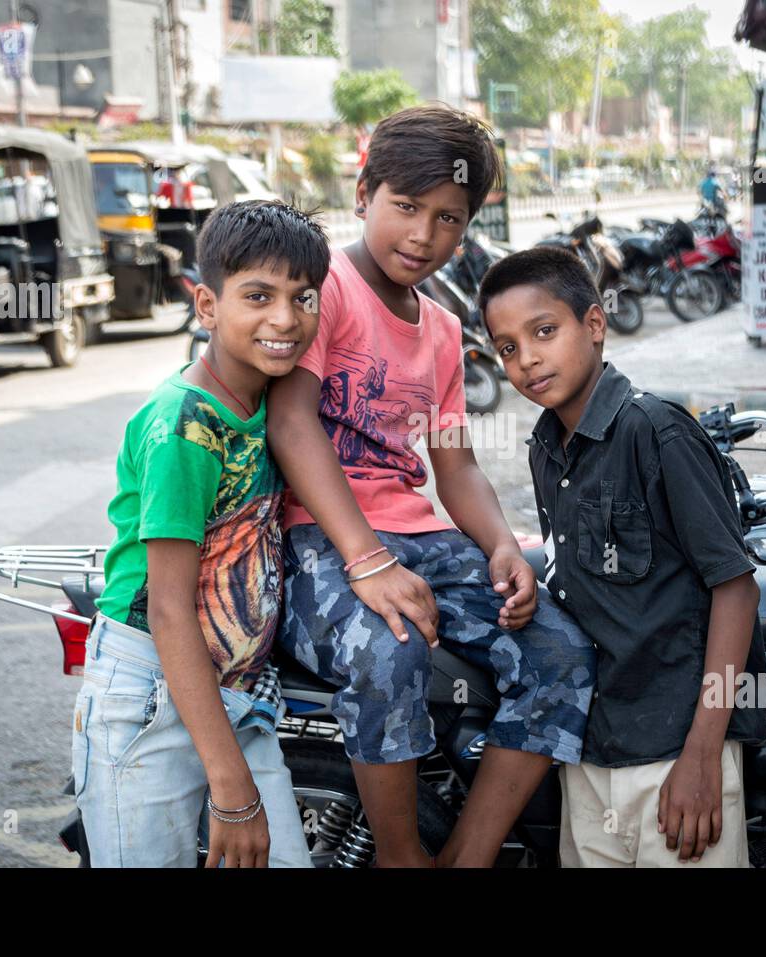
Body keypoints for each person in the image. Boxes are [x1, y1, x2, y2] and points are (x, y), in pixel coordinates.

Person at [267, 104, 596, 869]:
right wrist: (367, 558)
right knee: (391, 649)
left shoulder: (444, 329)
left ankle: (470, 855)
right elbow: (292, 425)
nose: (423, 236)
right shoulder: (324, 288)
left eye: (448, 219)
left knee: (563, 654)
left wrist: (501, 547)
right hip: (320, 537)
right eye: (406, 208)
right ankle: (400, 855)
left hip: (424, 542)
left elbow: (455, 464)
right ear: (363, 194)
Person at [479, 245, 766, 868]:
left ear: (594, 324)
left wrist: (701, 756)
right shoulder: (545, 446)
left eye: (544, 332)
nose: (526, 359)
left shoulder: (657, 431)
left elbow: (736, 588)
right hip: (590, 747)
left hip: (676, 748)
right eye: (506, 348)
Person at [73, 200, 330, 867]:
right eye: (257, 296)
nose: (285, 318)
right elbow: (166, 608)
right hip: (151, 690)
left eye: (303, 297)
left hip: (238, 693)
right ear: (206, 306)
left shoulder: (274, 405)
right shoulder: (186, 424)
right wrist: (232, 786)